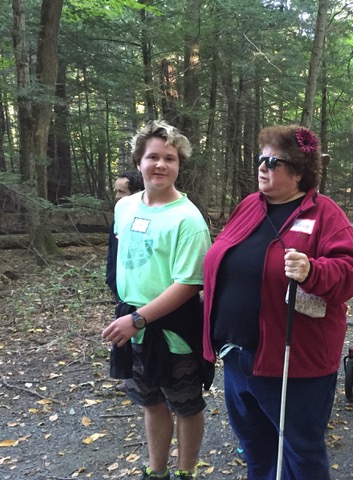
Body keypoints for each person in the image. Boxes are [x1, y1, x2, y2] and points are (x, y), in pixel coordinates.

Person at [202, 124, 353, 480]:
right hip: (238, 356)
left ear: (297, 172)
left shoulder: (325, 214)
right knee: (255, 446)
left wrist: (313, 270)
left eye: (273, 162)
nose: (262, 167)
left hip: (295, 365)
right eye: (261, 159)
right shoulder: (249, 206)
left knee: (301, 451)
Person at [101, 121, 212, 480]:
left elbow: (190, 283)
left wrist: (138, 319)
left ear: (179, 165)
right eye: (153, 157)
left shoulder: (188, 219)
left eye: (170, 158)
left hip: (173, 329)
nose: (160, 164)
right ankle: (157, 470)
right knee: (150, 400)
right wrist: (128, 314)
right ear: (139, 162)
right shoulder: (126, 207)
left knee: (185, 403)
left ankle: (185, 472)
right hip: (132, 323)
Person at [106, 171, 143, 299]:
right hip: (122, 294)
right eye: (116, 191)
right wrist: (112, 280)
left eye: (121, 192)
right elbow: (112, 253)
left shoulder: (148, 219)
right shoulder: (119, 218)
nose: (117, 196)